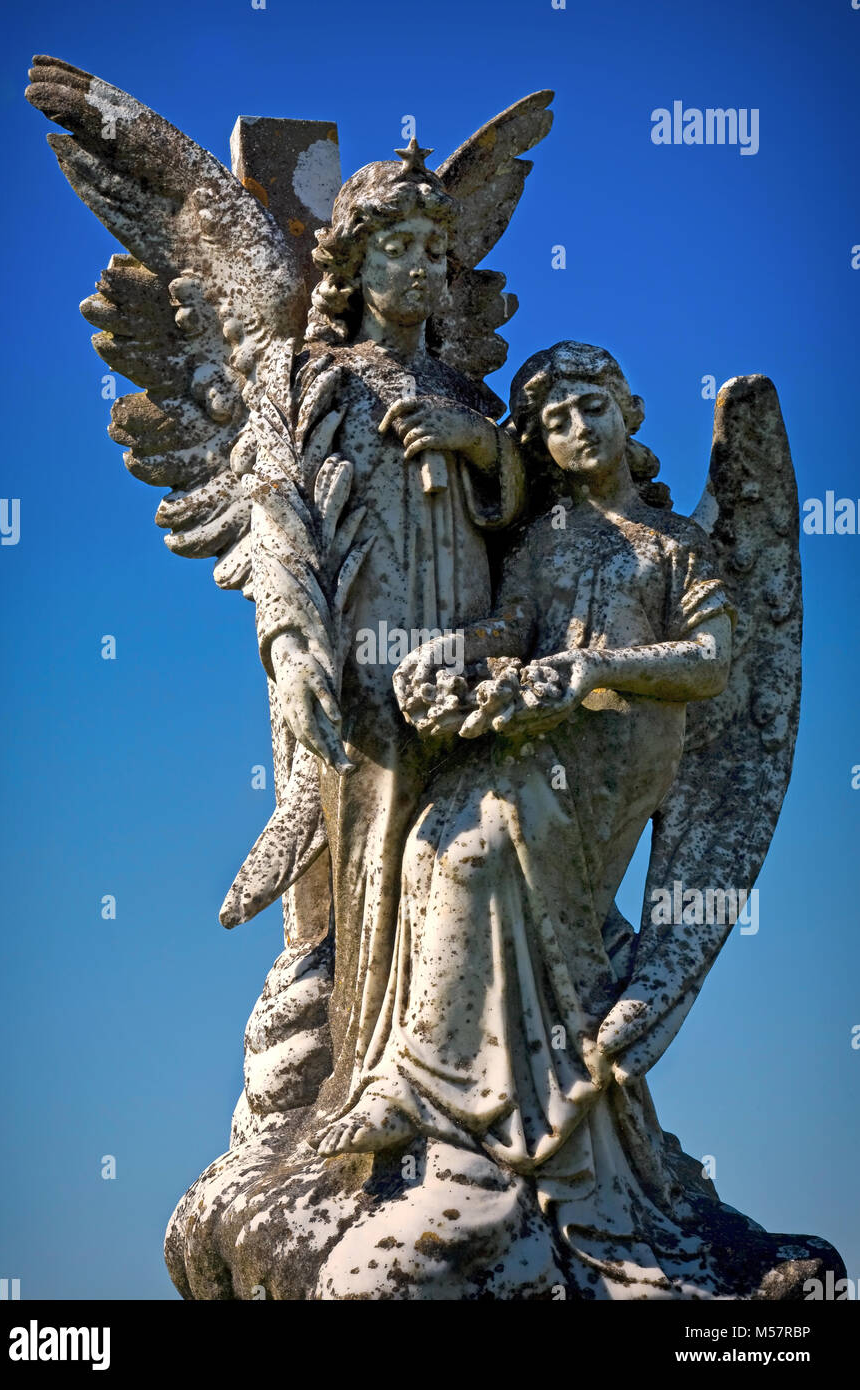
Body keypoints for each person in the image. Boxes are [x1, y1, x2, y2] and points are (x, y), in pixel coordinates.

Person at [314, 341, 741, 1295]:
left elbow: (708, 663)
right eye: (553, 420)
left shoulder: (678, 548)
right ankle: (423, 1085)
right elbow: (515, 629)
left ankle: (453, 1098)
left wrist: (594, 672)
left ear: (629, 413)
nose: (576, 430)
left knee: (478, 852)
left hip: (608, 763)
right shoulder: (544, 541)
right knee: (434, 843)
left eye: (591, 407)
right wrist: (459, 653)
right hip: (532, 739)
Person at [256, 142, 524, 1135]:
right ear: (351, 265)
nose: (420, 265)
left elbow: (522, 521)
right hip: (369, 658)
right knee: (373, 852)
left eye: (433, 248)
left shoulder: (464, 395)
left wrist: (488, 449)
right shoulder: (313, 376)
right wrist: (291, 650)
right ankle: (372, 1072)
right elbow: (274, 519)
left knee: (477, 849)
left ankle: (482, 1079)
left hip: (473, 650)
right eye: (396, 246)